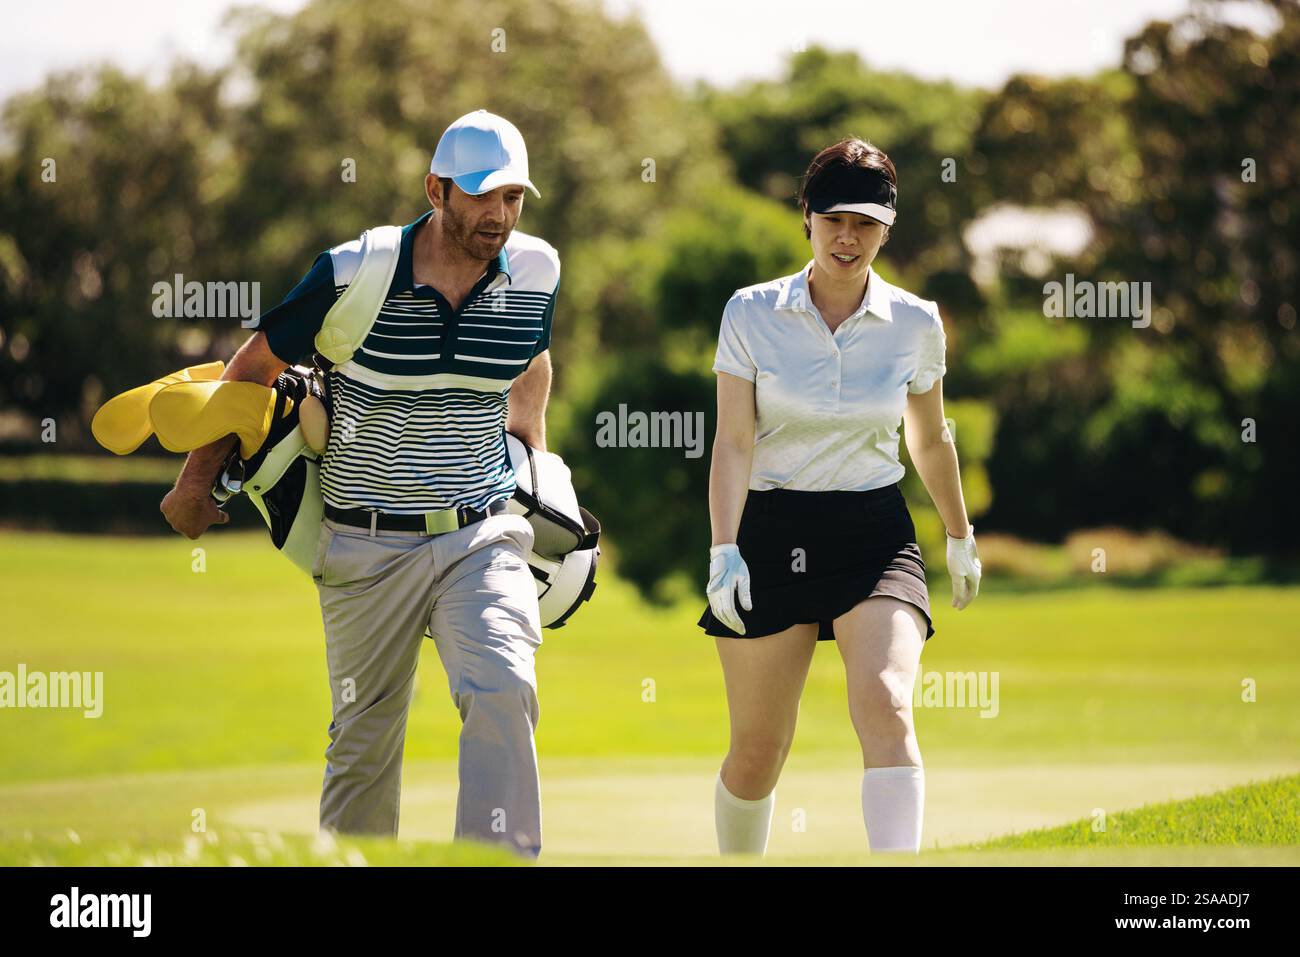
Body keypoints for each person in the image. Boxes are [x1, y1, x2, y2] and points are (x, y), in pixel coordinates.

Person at [160, 110, 559, 857]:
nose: (500, 215)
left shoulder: (538, 271)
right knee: (363, 743)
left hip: (481, 531)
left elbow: (531, 355)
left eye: (514, 198)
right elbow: (251, 369)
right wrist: (196, 483)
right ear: (436, 190)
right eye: (484, 196)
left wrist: (533, 443)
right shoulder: (352, 271)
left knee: (504, 688)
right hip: (365, 542)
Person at [697, 138, 982, 856]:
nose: (847, 238)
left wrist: (958, 533)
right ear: (807, 217)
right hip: (770, 529)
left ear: (888, 226)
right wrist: (724, 546)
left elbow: (929, 437)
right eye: (833, 219)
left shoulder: (916, 322)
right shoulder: (750, 311)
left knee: (887, 703)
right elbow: (733, 441)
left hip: (873, 531)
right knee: (758, 751)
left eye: (865, 222)